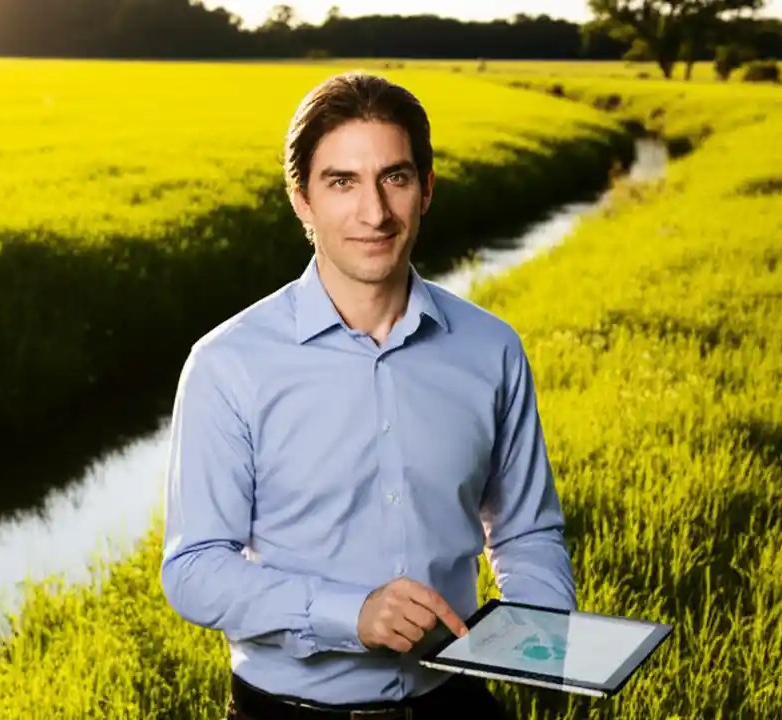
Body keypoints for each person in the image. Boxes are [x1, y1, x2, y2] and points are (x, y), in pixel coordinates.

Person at [159, 71, 577, 720]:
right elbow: (194, 567)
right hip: (287, 710)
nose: (375, 213)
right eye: (342, 182)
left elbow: (526, 530)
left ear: (427, 189)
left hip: (454, 705)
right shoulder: (228, 364)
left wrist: (542, 636)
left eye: (396, 178)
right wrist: (347, 614)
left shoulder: (492, 349)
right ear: (301, 199)